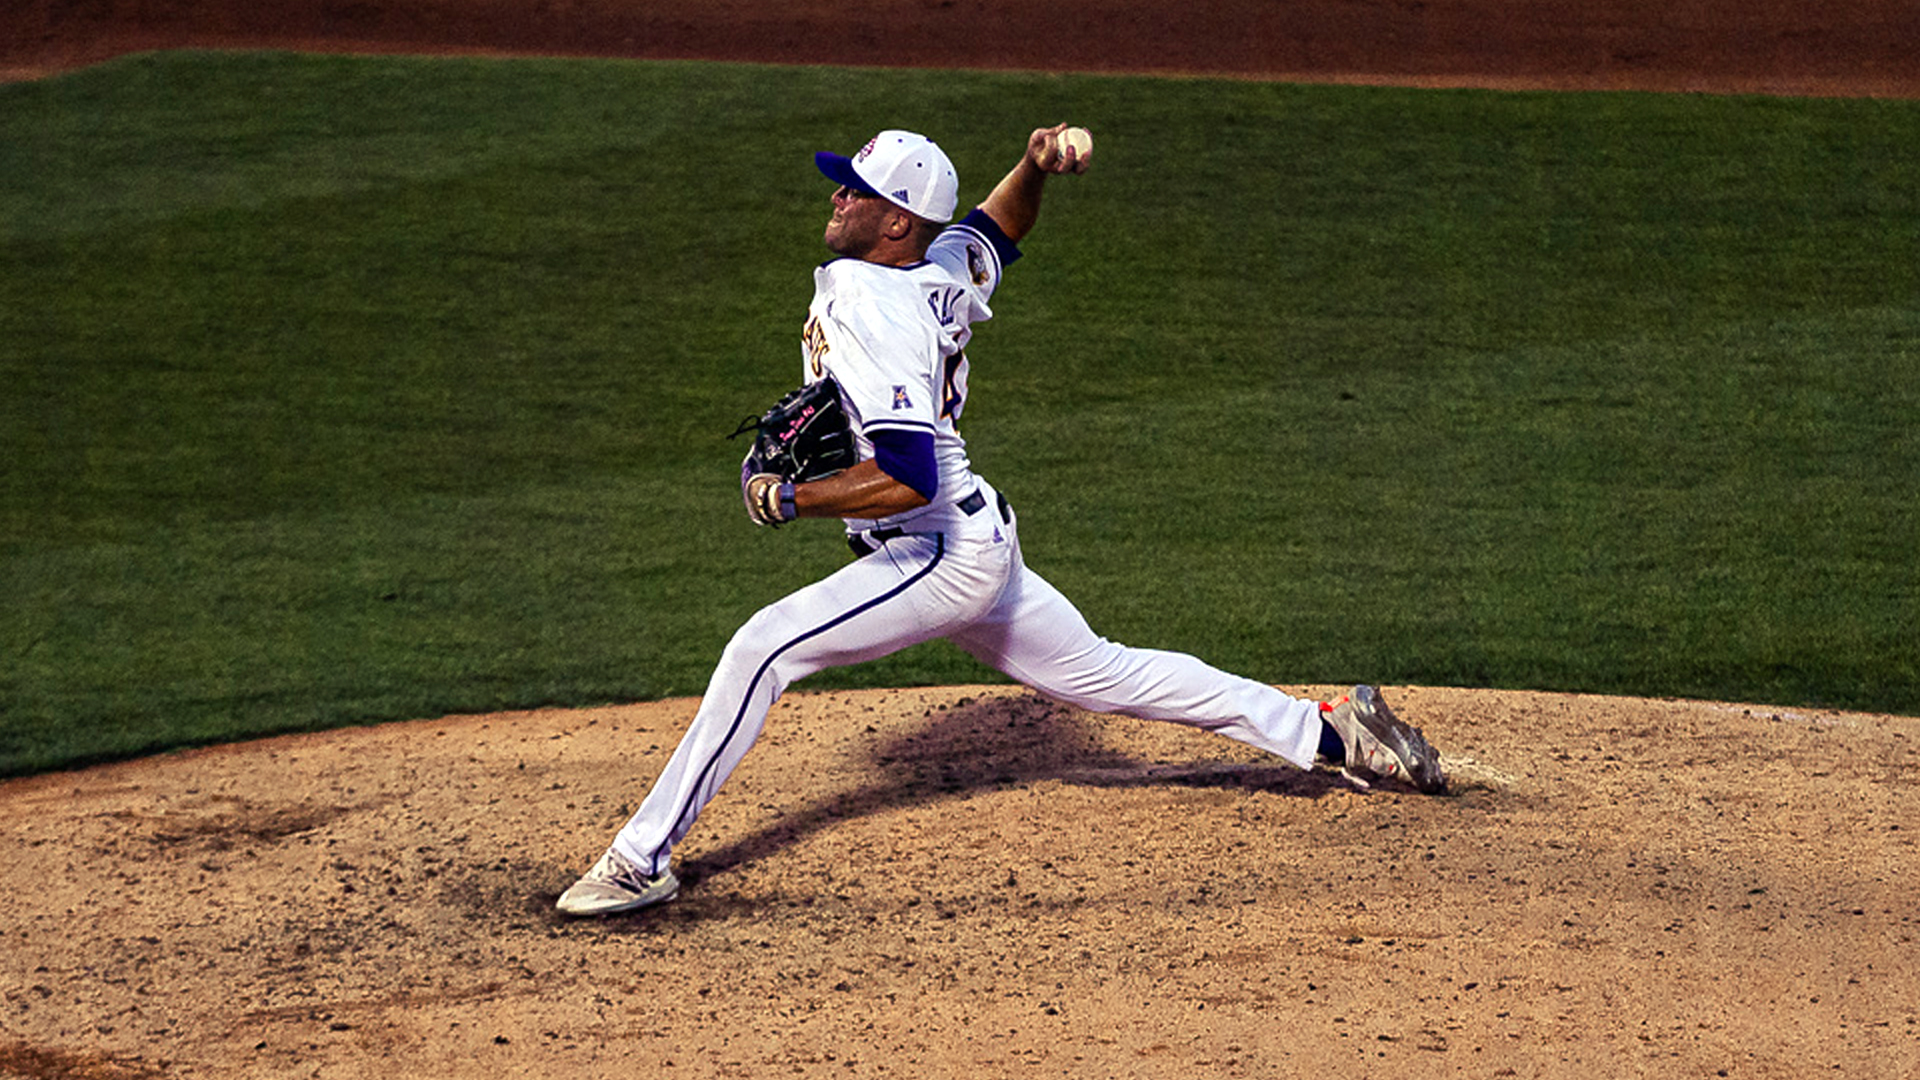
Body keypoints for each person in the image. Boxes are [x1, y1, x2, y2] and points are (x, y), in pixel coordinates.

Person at [557, 124, 1446, 917]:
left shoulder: (874, 304)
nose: (837, 196)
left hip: (934, 550)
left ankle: (640, 858)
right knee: (1109, 672)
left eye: (857, 191)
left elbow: (904, 477)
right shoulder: (931, 269)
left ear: (897, 222)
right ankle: (1334, 732)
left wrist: (787, 497)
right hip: (976, 536)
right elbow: (996, 231)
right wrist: (1032, 164)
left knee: (764, 646)